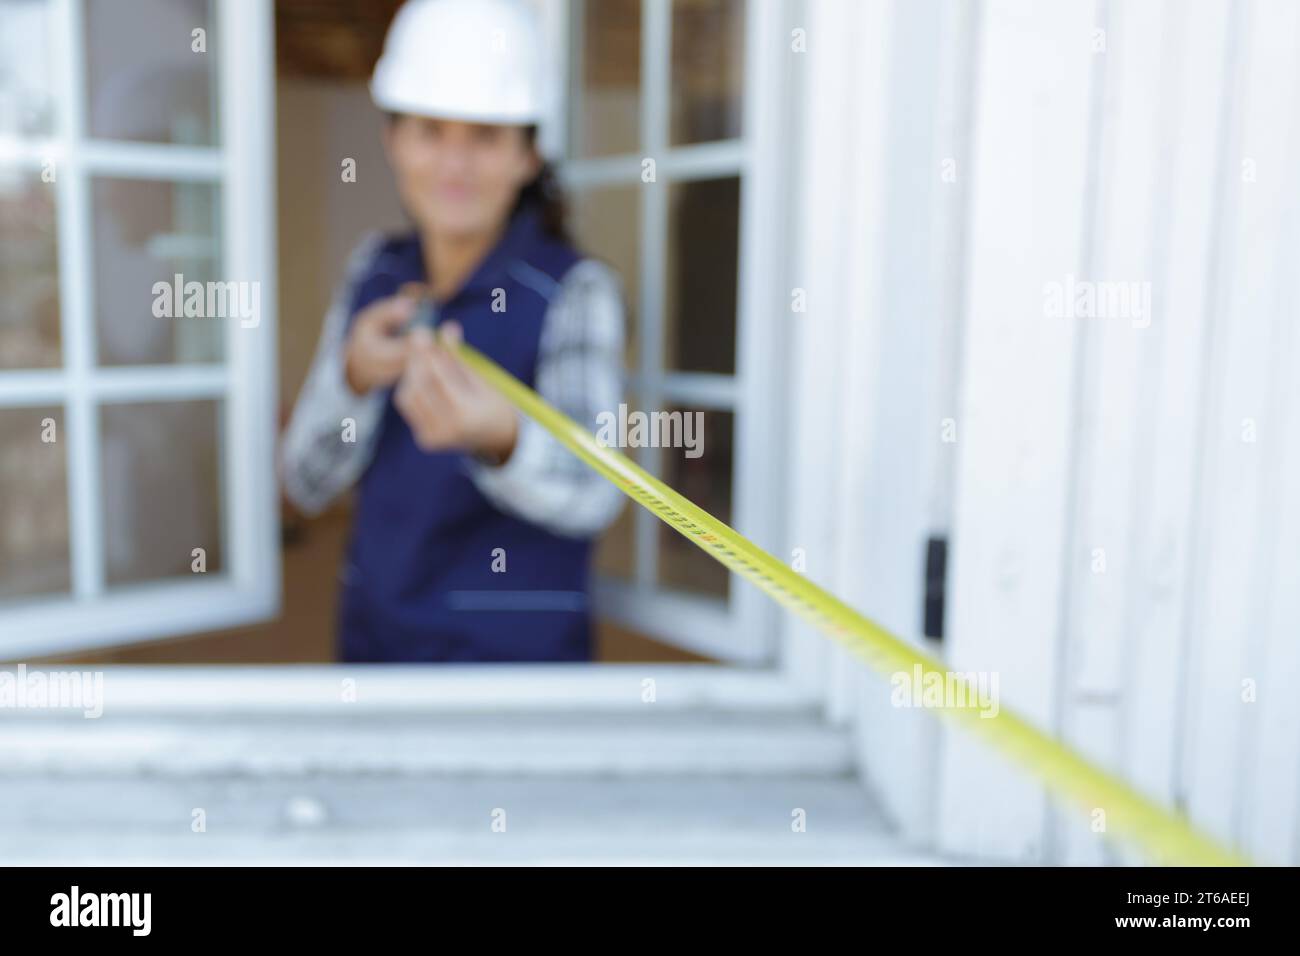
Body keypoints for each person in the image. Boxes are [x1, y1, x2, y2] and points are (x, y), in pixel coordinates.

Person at [280, 0, 626, 663]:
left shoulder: (575, 292)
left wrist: (502, 437)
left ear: (529, 155)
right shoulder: (371, 274)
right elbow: (303, 483)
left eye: (486, 136)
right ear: (393, 140)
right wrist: (351, 380)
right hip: (377, 640)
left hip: (519, 661)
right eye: (432, 131)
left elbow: (595, 494)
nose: (455, 165)